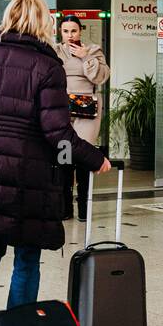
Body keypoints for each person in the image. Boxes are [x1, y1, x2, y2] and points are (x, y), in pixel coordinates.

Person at [0, 0, 111, 320]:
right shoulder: (47, 67)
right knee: (27, 253)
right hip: (30, 174)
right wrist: (94, 158)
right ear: (44, 23)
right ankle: (20, 323)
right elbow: (57, 132)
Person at [55, 14, 110, 221]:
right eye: (66, 31)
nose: (70, 35)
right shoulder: (55, 50)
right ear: (61, 32)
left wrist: (86, 56)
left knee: (83, 155)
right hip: (61, 107)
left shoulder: (93, 50)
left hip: (86, 107)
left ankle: (84, 208)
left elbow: (101, 77)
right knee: (64, 156)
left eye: (74, 31)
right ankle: (65, 207)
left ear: (80, 31)